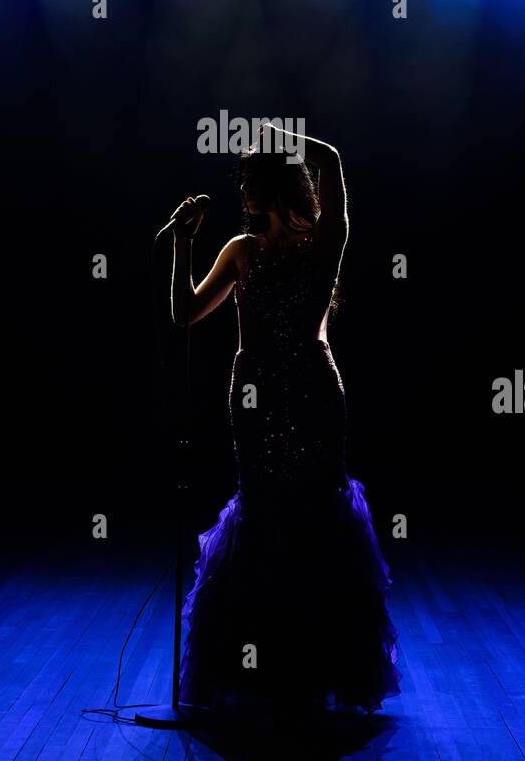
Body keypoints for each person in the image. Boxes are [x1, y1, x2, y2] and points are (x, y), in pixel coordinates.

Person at [170, 124, 400, 723]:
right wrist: (182, 246)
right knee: (263, 512)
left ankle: (314, 668)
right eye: (242, 182)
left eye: (251, 181)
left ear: (277, 184)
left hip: (313, 393)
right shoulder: (241, 251)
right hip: (254, 395)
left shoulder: (323, 243)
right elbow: (185, 313)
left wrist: (275, 135)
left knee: (317, 515)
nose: (243, 193)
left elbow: (332, 157)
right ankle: (259, 668)